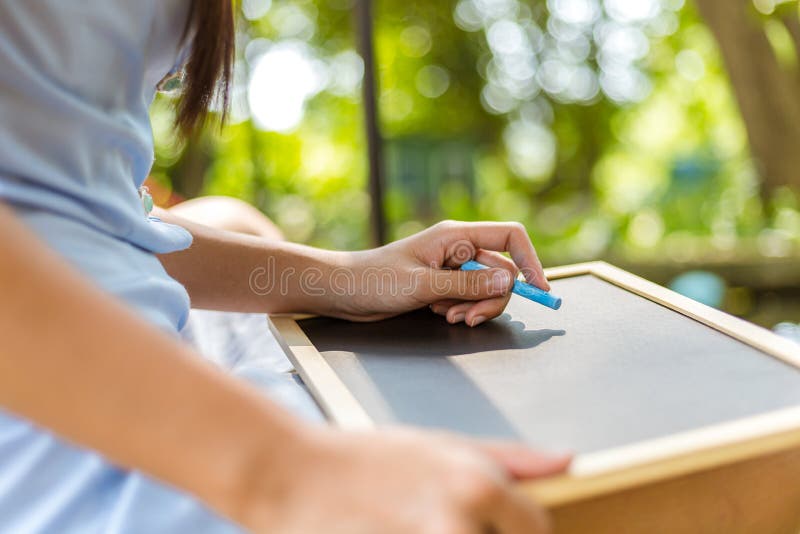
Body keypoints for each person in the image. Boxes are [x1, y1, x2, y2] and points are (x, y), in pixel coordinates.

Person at [0, 1, 570, 532]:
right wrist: (284, 471)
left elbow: (111, 213)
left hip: (119, 350)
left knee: (232, 218)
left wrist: (355, 277)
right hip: (57, 438)